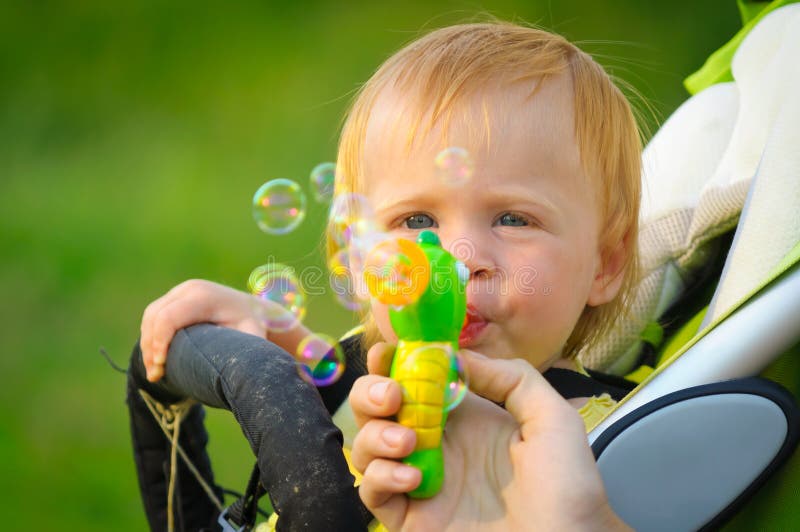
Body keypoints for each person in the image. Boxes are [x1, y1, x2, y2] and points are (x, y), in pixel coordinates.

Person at [138, 20, 641, 527]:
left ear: (606, 262)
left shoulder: (605, 454)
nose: (459, 260)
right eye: (416, 221)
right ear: (358, 259)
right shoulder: (386, 387)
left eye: (513, 219)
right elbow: (331, 413)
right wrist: (273, 331)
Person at [349, 345, 630, 531]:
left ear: (605, 270)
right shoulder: (382, 473)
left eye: (517, 248)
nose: (462, 259)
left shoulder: (633, 417)